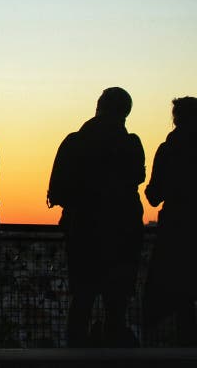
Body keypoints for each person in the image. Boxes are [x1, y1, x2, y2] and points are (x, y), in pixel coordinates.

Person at [48, 87, 144, 347]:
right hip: (123, 233)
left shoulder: (75, 142)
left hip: (84, 231)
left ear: (98, 106)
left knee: (82, 299)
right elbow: (138, 178)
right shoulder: (131, 144)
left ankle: (76, 361)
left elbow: (56, 191)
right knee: (117, 304)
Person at [143, 97, 197, 345]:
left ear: (176, 119)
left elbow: (154, 196)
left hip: (175, 229)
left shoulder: (168, 150)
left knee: (175, 292)